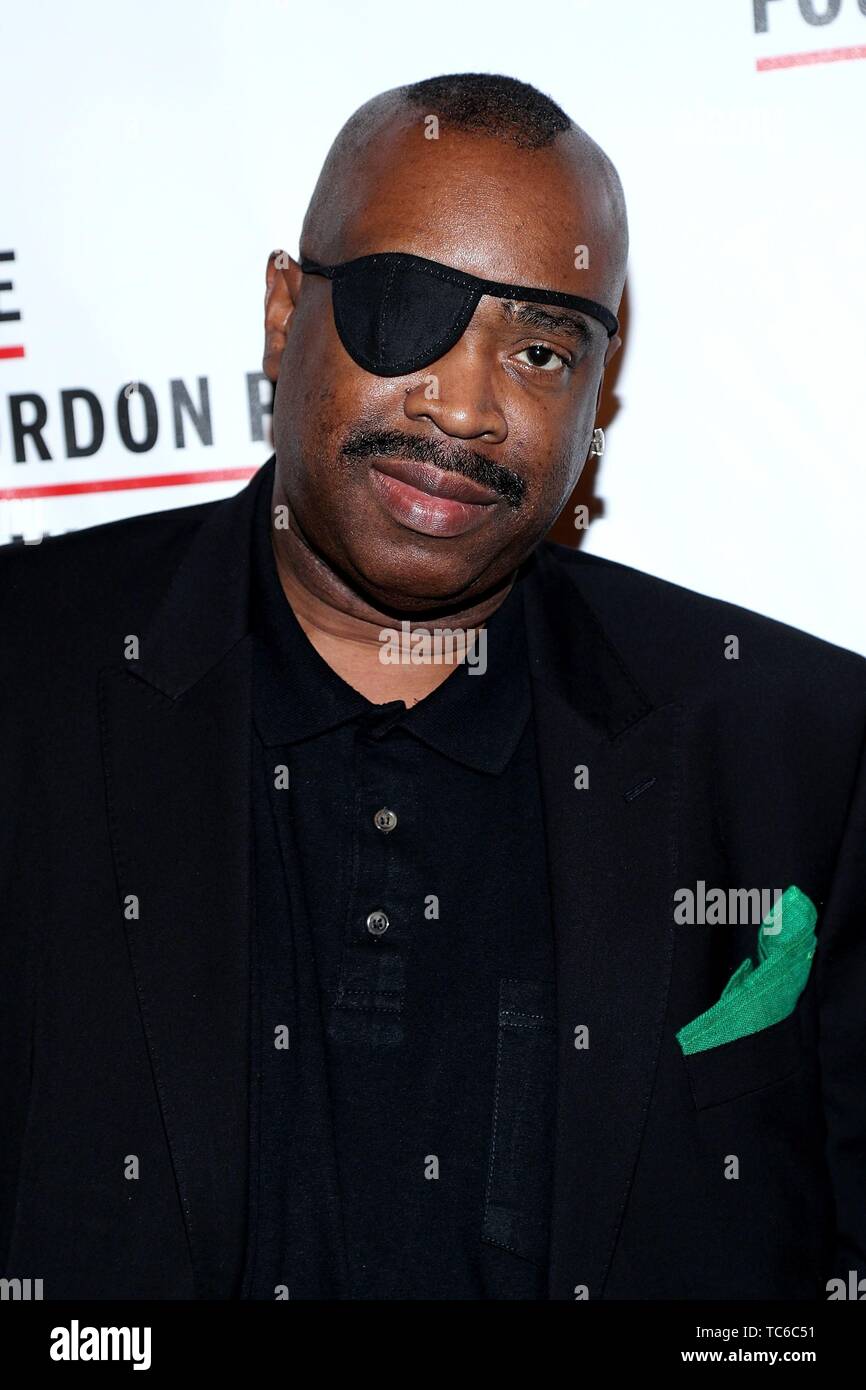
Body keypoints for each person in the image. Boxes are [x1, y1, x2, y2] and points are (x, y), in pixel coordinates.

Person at [1, 72, 864, 1302]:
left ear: (597, 395)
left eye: (537, 347)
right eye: (406, 311)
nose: (463, 406)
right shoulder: (32, 679)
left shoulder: (800, 760)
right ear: (282, 311)